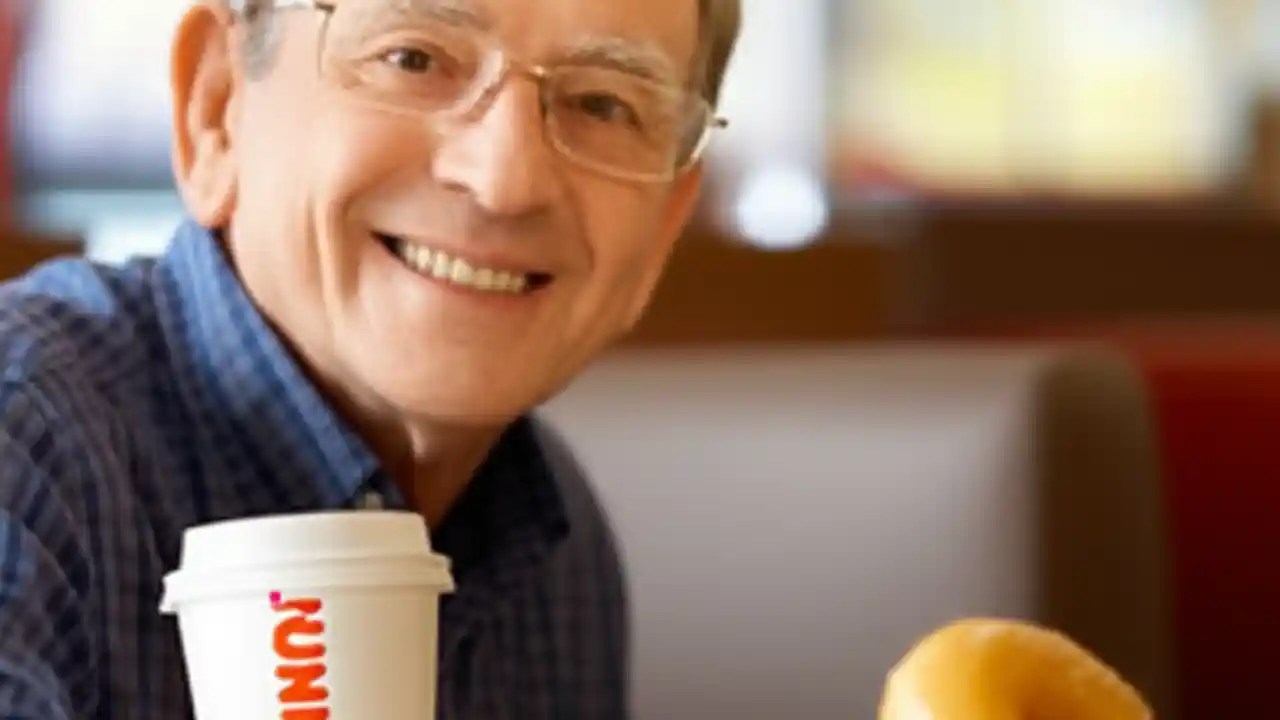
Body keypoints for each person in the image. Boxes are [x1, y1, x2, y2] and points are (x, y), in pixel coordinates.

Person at [0, 0, 741, 716]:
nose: (505, 180)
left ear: (668, 219)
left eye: (605, 105)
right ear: (217, 107)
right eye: (413, 58)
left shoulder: (557, 544)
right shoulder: (23, 449)